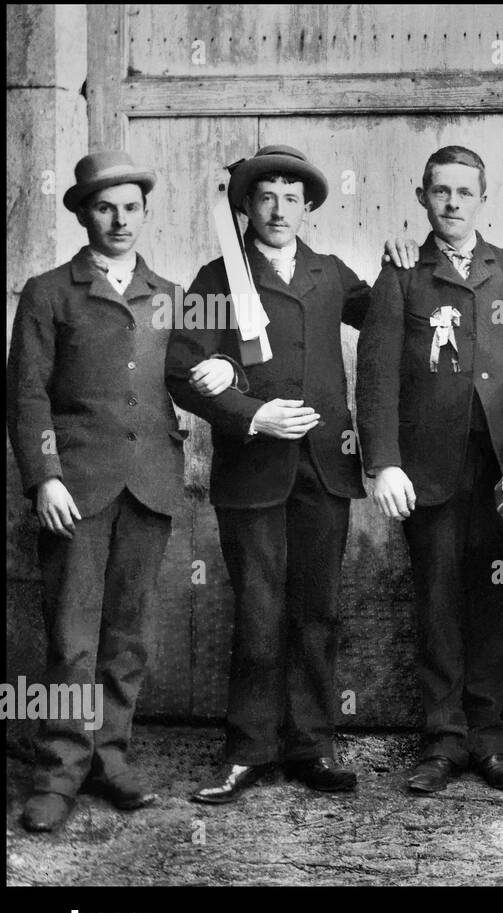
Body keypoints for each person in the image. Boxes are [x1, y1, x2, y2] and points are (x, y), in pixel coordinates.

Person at [8, 151, 221, 830]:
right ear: (82, 213)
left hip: (150, 486)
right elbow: (26, 396)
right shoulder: (48, 292)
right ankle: (58, 773)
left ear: (145, 213)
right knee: (72, 637)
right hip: (76, 488)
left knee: (127, 636)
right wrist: (44, 478)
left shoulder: (170, 294)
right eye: (105, 207)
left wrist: (218, 370)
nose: (119, 219)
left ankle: (112, 758)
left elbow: (189, 376)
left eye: (131, 207)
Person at [166, 145, 371, 804]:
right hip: (253, 472)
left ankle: (312, 743)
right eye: (265, 196)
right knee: (258, 613)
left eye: (291, 196)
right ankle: (248, 748)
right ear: (247, 207)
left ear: (308, 205)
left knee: (318, 612)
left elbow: (394, 313)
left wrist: (407, 257)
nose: (279, 208)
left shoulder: (330, 272)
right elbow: (181, 370)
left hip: (325, 469)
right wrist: (251, 414)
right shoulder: (216, 277)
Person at [356, 146, 503, 794]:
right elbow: (375, 376)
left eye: (465, 191)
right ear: (423, 197)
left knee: (495, 600)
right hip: (429, 471)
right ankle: (442, 739)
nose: (453, 203)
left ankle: (491, 738)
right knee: (436, 603)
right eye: (441, 191)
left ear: (483, 198)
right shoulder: (403, 272)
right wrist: (382, 463)